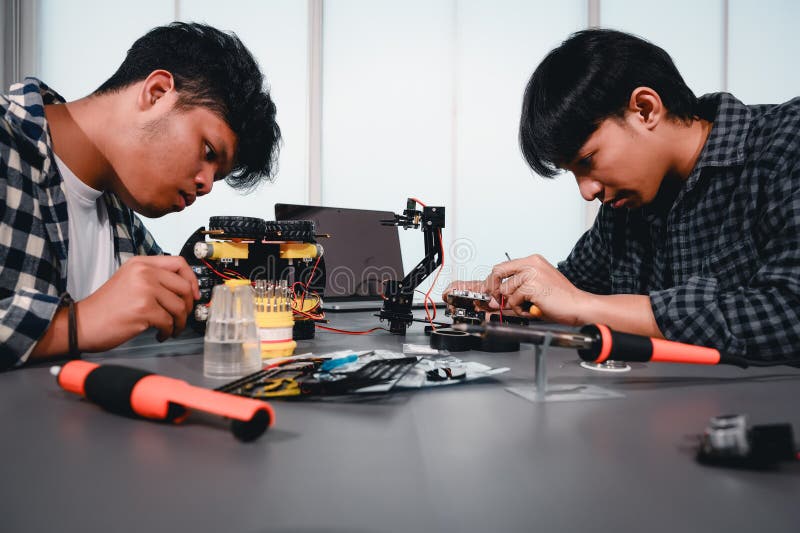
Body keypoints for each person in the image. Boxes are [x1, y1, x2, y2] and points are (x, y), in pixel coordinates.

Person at [445, 29, 800, 363]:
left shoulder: (788, 142)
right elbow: (571, 291)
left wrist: (581, 306)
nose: (587, 191)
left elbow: (789, 312)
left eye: (588, 161)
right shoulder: (628, 202)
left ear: (645, 109)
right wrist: (507, 300)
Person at [0, 22, 281, 370]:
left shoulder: (120, 218)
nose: (206, 185)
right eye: (208, 151)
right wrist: (76, 324)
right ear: (157, 92)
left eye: (217, 176)